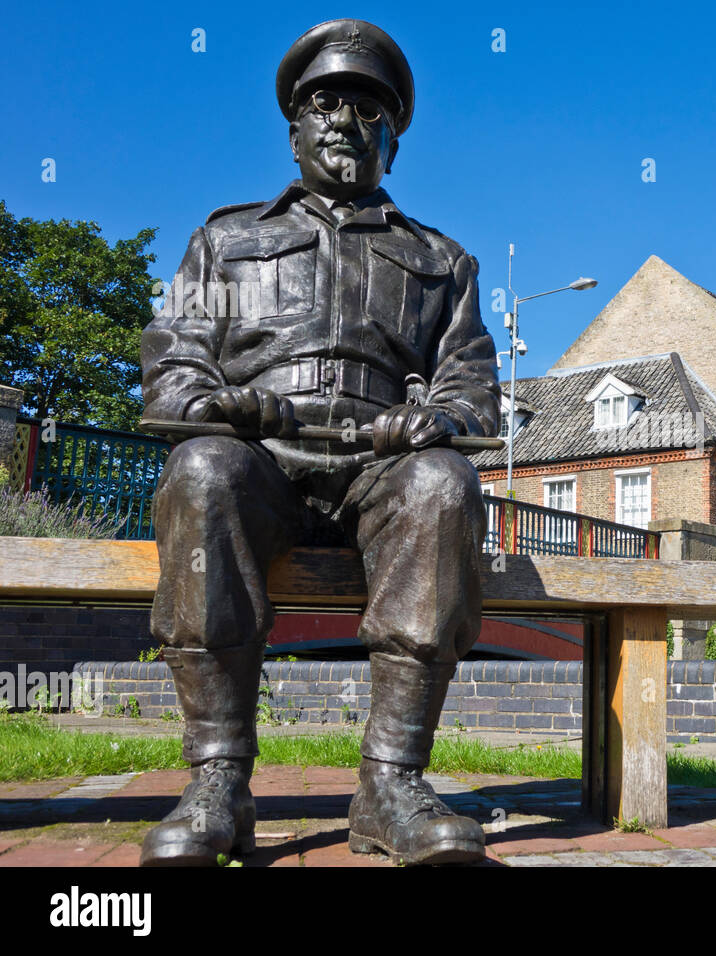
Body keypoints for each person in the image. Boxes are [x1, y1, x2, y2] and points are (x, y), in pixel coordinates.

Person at [138, 18, 500, 866]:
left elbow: (473, 390)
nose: (346, 119)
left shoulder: (442, 262)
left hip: (380, 471)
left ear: (393, 144)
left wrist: (436, 422)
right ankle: (219, 782)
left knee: (443, 483)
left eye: (369, 109)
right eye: (325, 102)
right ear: (294, 128)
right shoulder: (224, 242)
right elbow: (171, 371)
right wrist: (221, 407)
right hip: (260, 463)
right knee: (201, 470)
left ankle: (390, 784)